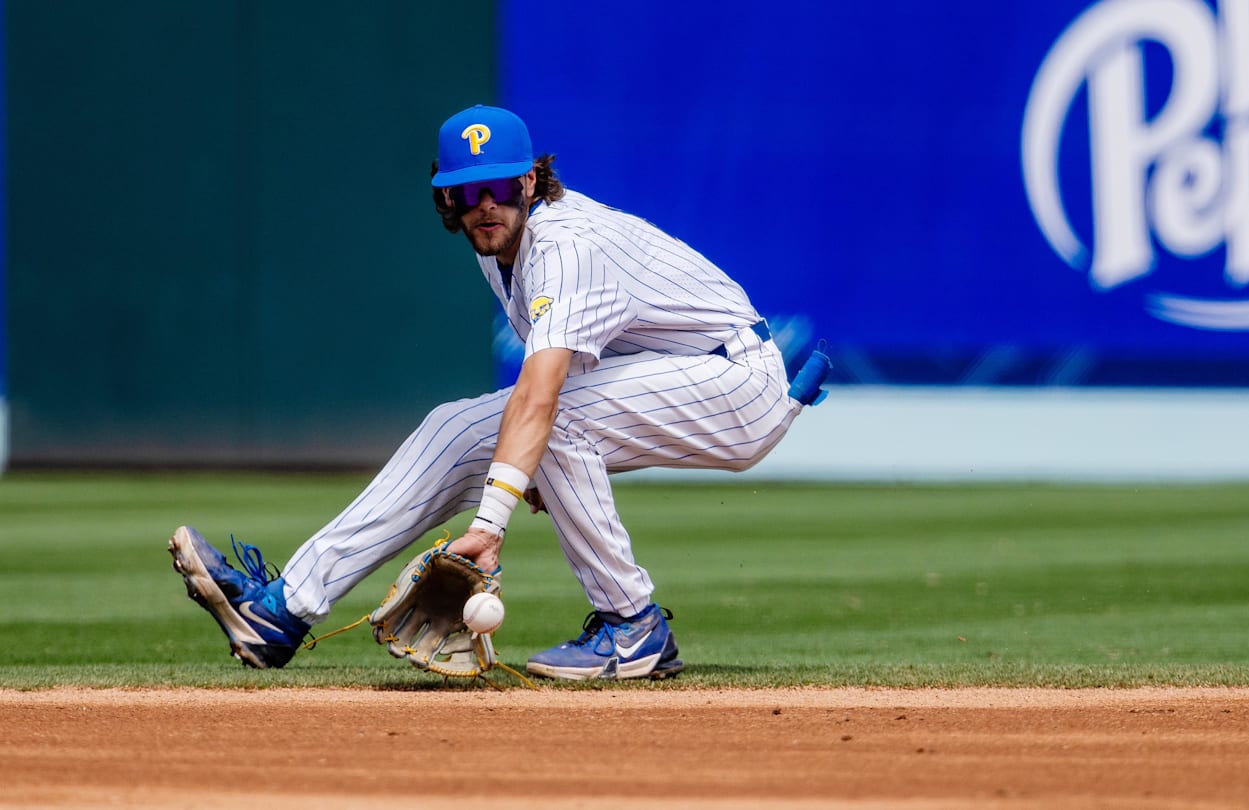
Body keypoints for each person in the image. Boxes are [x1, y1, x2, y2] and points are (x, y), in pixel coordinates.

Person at [168, 103, 827, 681]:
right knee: (453, 429)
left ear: (530, 182)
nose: (486, 203)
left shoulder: (564, 247)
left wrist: (490, 523)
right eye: (467, 190)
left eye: (501, 186)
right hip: (677, 375)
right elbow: (560, 391)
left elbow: (543, 398)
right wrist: (531, 470)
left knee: (549, 416)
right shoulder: (498, 248)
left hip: (736, 381)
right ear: (446, 199)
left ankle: (632, 625)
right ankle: (282, 611)